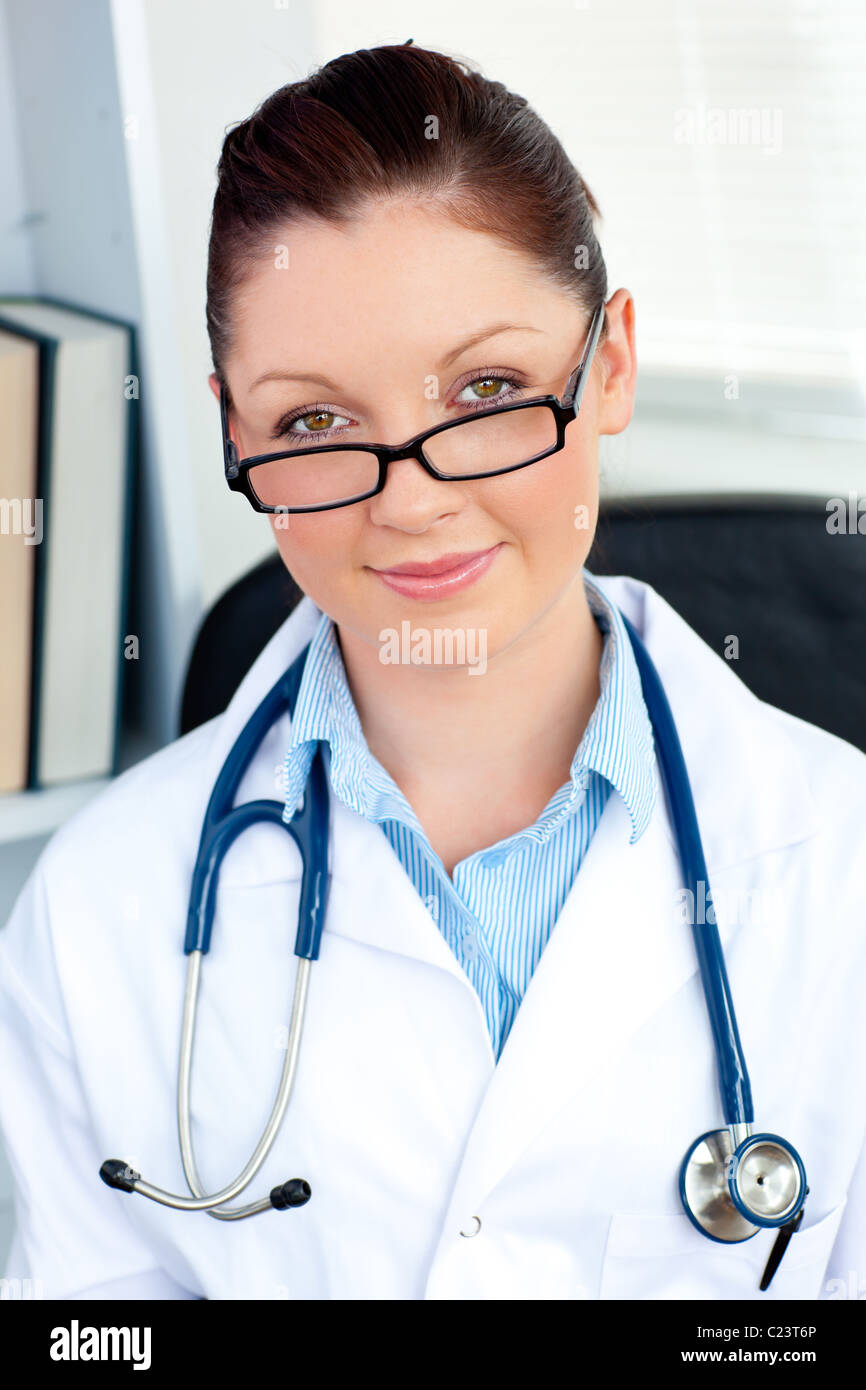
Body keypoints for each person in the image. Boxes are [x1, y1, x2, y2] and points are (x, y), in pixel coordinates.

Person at [0, 41, 864, 1302]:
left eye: (488, 388)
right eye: (313, 422)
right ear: (233, 430)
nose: (408, 501)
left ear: (608, 364)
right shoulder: (96, 916)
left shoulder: (837, 870)